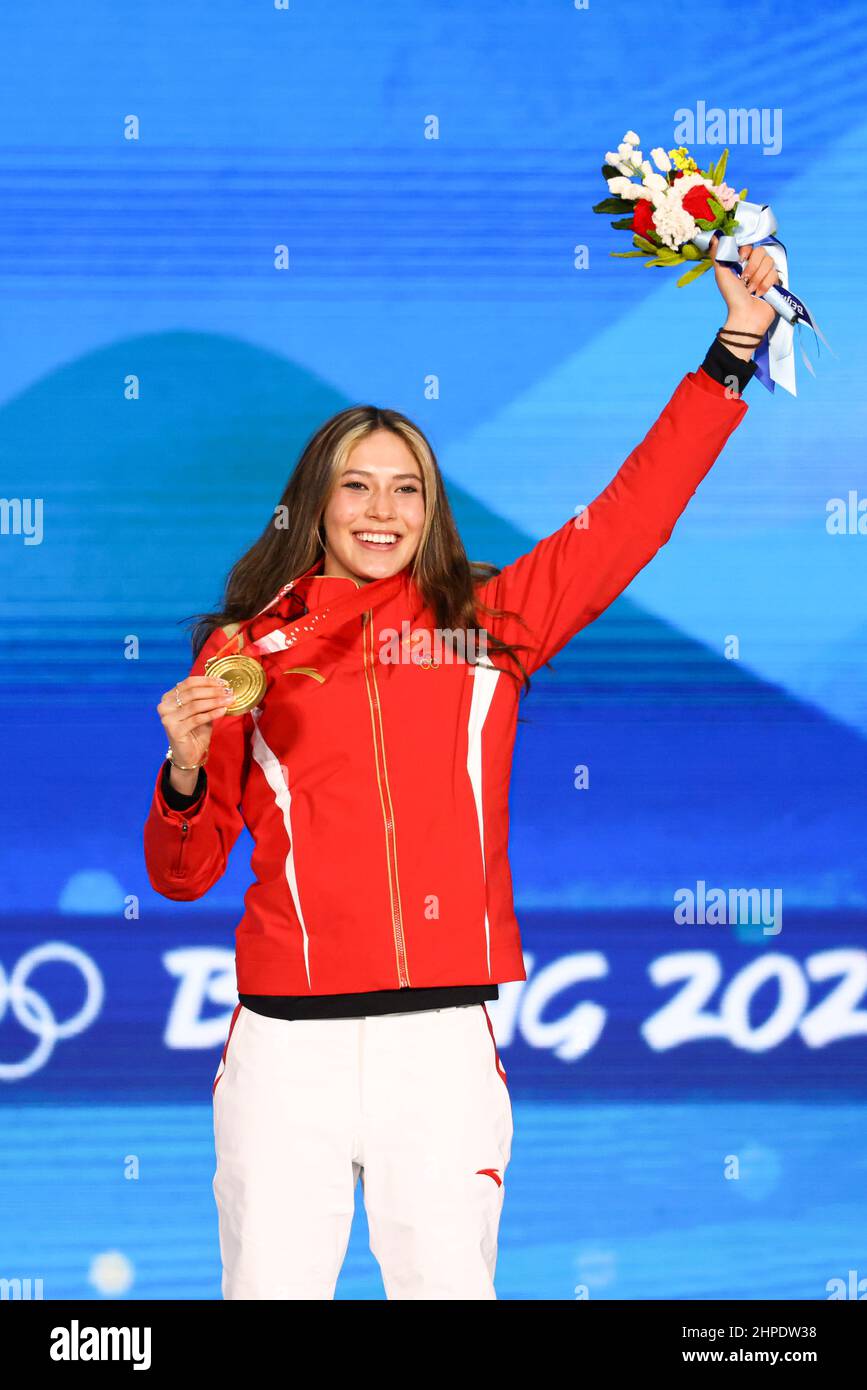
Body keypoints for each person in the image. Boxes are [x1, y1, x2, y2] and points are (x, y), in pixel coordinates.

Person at [143, 241, 780, 1300]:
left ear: (432, 508)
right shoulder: (243, 654)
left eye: (407, 489)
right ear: (315, 503)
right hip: (282, 1051)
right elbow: (183, 870)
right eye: (357, 487)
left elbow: (631, 517)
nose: (382, 511)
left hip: (437, 1048)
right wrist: (185, 767)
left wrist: (733, 351)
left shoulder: (493, 622)